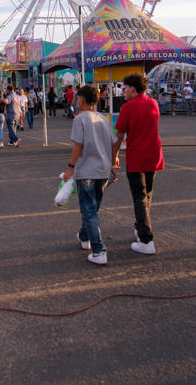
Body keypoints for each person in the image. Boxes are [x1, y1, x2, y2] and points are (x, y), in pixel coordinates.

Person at [61, 85, 117, 265]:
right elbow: (113, 143)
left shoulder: (80, 119)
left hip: (86, 170)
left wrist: (70, 167)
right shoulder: (102, 118)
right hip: (102, 170)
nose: (77, 101)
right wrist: (114, 162)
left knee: (89, 210)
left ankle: (99, 250)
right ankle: (85, 236)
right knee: (92, 208)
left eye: (78, 98)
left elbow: (78, 146)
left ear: (82, 100)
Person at [112, 73, 164, 255]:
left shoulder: (127, 108)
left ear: (133, 89)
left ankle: (146, 238)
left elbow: (119, 136)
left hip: (137, 156)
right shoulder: (153, 104)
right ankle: (140, 227)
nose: (122, 91)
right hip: (154, 154)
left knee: (139, 196)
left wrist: (113, 157)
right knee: (147, 194)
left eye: (124, 88)